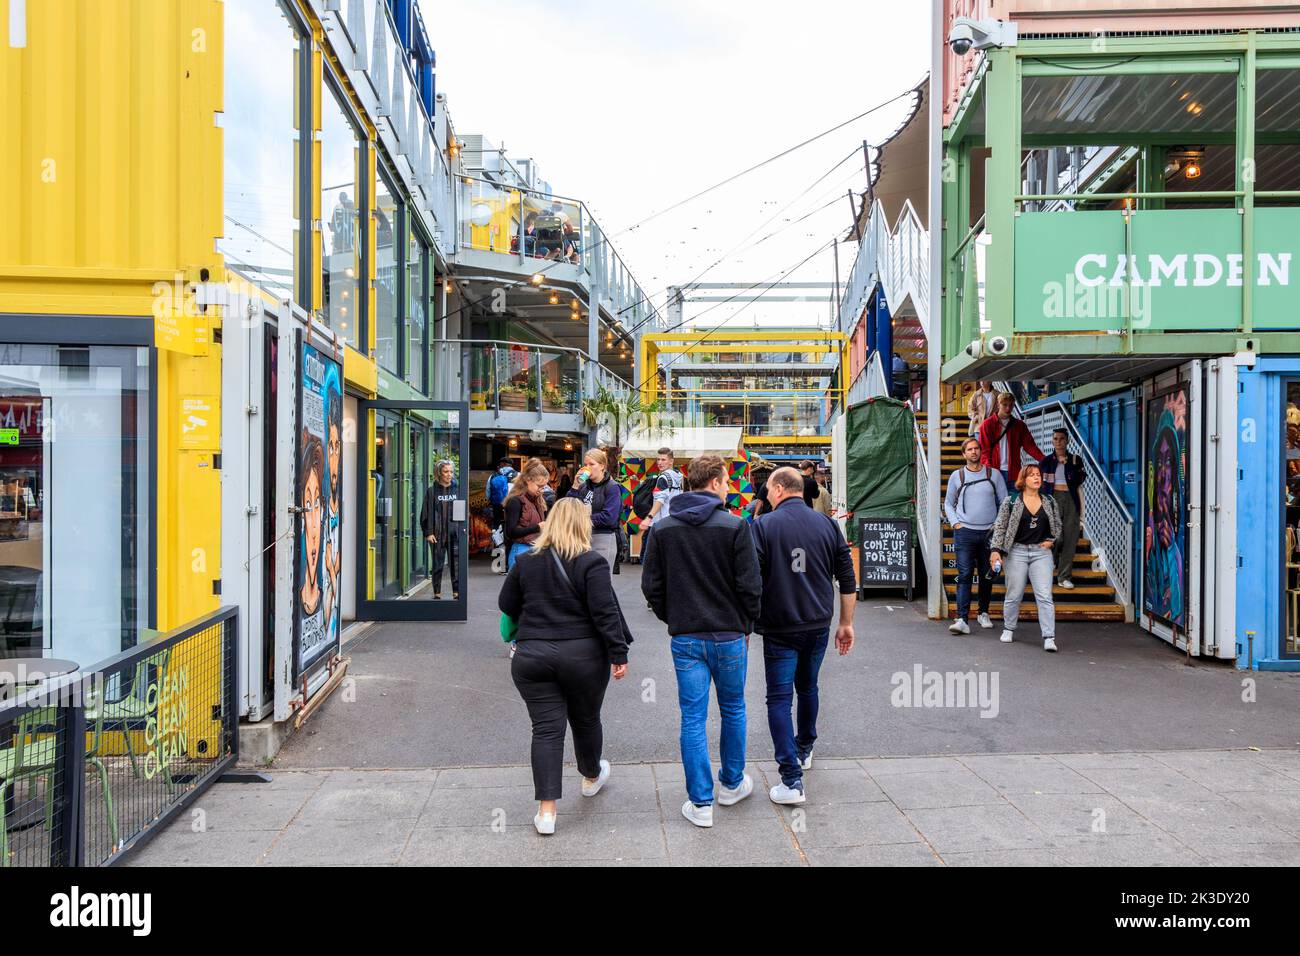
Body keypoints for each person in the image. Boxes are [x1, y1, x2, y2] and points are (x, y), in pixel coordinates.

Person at [641, 454, 763, 829]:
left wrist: (674, 617)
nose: (728, 487)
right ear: (713, 482)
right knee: (733, 709)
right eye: (726, 481)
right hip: (729, 635)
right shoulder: (735, 527)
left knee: (692, 718)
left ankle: (701, 802)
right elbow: (751, 586)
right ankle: (731, 783)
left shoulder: (664, 531)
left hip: (687, 636)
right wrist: (744, 623)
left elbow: (652, 587)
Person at [499, 498, 631, 835]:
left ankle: (546, 813)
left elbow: (506, 604)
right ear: (582, 525)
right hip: (584, 657)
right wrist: (618, 654)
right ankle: (590, 775)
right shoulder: (592, 563)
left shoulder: (526, 562)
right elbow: (605, 612)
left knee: (545, 730)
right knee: (586, 719)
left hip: (533, 657)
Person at [751, 468, 856, 805]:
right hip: (818, 623)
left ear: (780, 489)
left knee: (779, 698)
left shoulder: (764, 526)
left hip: (780, 626)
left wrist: (746, 622)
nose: (766, 495)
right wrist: (846, 623)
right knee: (808, 687)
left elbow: (752, 580)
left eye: (768, 489)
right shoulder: (826, 524)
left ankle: (791, 778)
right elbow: (847, 576)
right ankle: (805, 747)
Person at [989, 463, 1061, 652]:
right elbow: (1001, 527)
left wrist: (1052, 540)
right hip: (1016, 551)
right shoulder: (1011, 501)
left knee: (1045, 595)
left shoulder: (1049, 500)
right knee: (1014, 593)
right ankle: (1008, 629)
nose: (1037, 478)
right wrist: (996, 550)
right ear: (1024, 479)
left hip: (1041, 553)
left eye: (1038, 475)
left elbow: (1058, 526)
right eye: (1032, 475)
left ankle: (1049, 637)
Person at [944, 437, 1008, 634]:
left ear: (981, 452)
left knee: (986, 575)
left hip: (989, 532)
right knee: (964, 574)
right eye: (969, 449)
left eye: (976, 448)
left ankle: (983, 613)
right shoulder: (957, 475)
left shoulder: (993, 474)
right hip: (965, 533)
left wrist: (998, 525)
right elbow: (948, 503)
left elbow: (1005, 502)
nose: (973, 452)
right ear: (964, 454)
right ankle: (962, 618)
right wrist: (956, 523)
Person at [1039, 428, 1087, 590]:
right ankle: (1051, 562)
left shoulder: (1075, 459)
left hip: (1071, 499)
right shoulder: (1046, 461)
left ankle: (1064, 577)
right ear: (1052, 441)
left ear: (1067, 441)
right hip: (1053, 498)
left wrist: (1070, 469)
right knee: (1056, 537)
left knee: (1071, 538)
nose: (1058, 441)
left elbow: (1081, 478)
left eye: (1061, 439)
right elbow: (1040, 484)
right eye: (1055, 439)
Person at [567, 448, 621, 583]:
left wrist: (581, 519)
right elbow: (567, 508)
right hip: (582, 537)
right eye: (585, 464)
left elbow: (609, 518)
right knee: (581, 580)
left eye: (592, 464)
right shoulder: (584, 486)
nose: (588, 468)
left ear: (602, 466)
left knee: (600, 580)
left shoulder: (612, 487)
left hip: (603, 537)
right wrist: (574, 486)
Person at [979, 392, 1045, 489]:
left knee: (1013, 502)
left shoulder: (1019, 425)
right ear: (998, 404)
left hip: (1014, 473)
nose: (1008, 408)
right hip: (995, 472)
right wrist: (989, 471)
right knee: (996, 503)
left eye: (1011, 405)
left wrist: (1045, 460)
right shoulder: (987, 425)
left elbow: (1030, 446)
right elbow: (985, 451)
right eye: (1004, 405)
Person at [421, 459, 462, 600]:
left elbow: (463, 513)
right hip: (437, 534)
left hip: (454, 534)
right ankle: (437, 592)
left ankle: (456, 592)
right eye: (446, 471)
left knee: (455, 564)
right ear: (439, 473)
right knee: (438, 564)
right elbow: (425, 513)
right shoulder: (432, 491)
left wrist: (463, 531)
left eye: (451, 471)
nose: (449, 474)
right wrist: (428, 532)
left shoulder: (458, 490)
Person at [504, 458, 549, 571]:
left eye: (544, 486)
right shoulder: (515, 501)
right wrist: (538, 527)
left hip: (536, 549)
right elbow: (510, 532)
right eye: (539, 486)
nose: (541, 490)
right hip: (521, 550)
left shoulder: (538, 500)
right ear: (528, 480)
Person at [487, 458, 516, 536]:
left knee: (496, 526)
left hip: (497, 506)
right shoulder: (518, 475)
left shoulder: (493, 476)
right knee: (512, 526)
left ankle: (497, 543)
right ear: (511, 465)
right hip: (513, 506)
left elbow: (488, 494)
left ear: (502, 464)